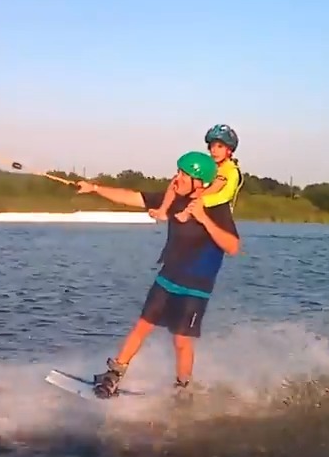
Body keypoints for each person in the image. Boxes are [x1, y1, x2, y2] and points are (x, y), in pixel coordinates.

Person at [75, 151, 242, 398]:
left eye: (184, 175)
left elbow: (233, 247)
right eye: (179, 172)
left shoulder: (216, 209)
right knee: (142, 326)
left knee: (181, 341)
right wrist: (94, 188)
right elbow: (133, 197)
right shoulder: (173, 199)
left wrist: (204, 219)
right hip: (168, 277)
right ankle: (114, 374)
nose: (177, 178)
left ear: (201, 182)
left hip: (196, 286)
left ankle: (183, 389)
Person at [148, 124, 243, 221]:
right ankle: (162, 211)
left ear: (229, 150)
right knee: (176, 181)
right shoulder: (210, 164)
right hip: (204, 197)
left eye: (220, 146)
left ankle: (186, 214)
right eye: (211, 147)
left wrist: (200, 197)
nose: (214, 151)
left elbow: (221, 191)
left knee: (208, 192)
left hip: (219, 203)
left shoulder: (231, 169)